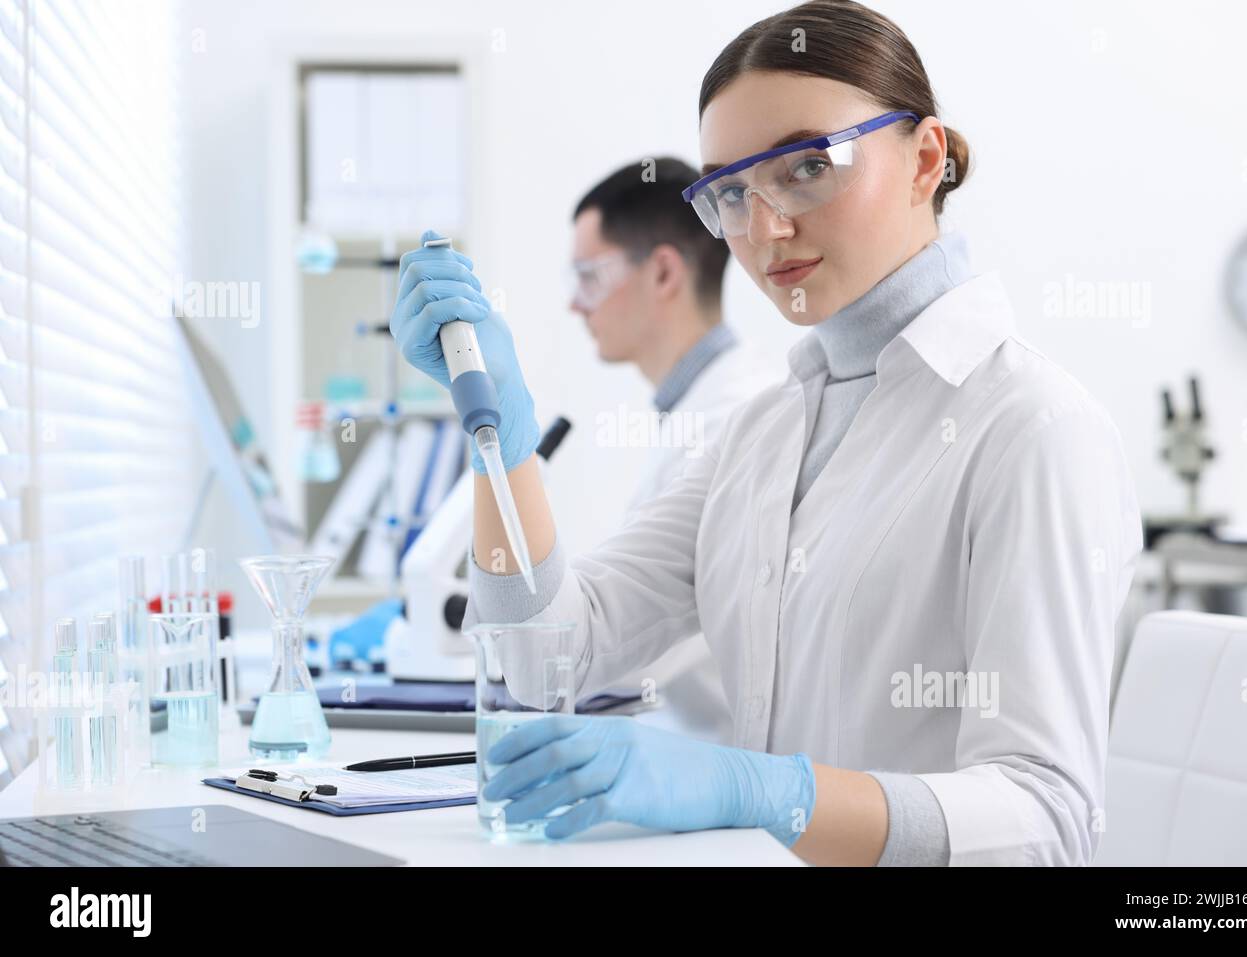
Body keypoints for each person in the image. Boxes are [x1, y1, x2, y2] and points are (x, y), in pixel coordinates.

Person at [390, 0, 1142, 866]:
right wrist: (502, 444)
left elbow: (1045, 819)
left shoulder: (1033, 428)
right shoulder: (765, 431)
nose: (764, 228)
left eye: (808, 169)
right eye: (732, 193)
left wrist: (770, 791)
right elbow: (545, 655)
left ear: (924, 158)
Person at [568, 158, 783, 743]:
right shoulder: (704, 406)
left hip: (731, 779)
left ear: (663, 273)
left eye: (588, 278)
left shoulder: (734, 415)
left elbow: (625, 646)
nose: (575, 305)